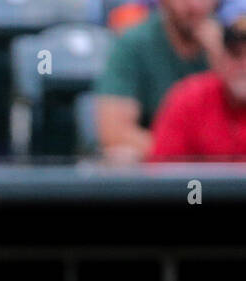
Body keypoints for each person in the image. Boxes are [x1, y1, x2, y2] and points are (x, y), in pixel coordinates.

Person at [95, 0, 216, 163]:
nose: (195, 5)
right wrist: (184, 154)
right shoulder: (135, 43)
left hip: (222, 168)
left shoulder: (231, 45)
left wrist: (220, 57)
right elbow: (114, 132)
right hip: (155, 170)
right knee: (121, 156)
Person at [150, 2, 246, 160]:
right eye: (235, 54)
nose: (244, 65)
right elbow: (164, 173)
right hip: (198, 186)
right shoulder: (189, 98)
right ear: (221, 55)